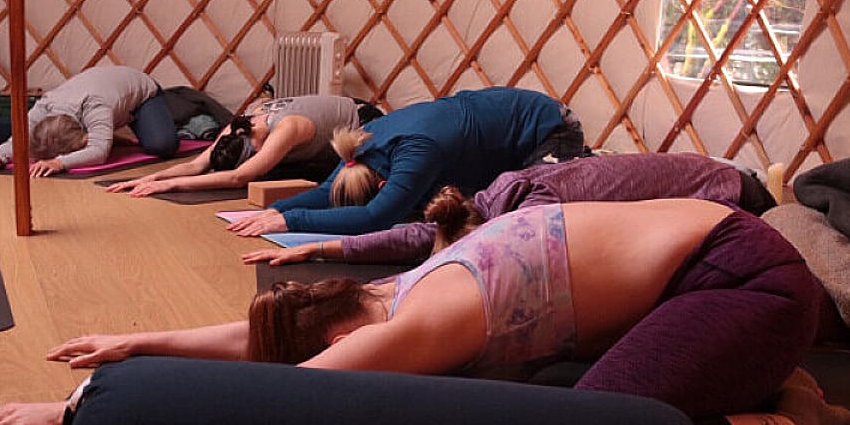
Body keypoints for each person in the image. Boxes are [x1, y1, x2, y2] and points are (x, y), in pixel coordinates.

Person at [0, 198, 850, 425]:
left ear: (348, 338)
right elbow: (260, 344)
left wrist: (72, 412)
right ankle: (749, 367)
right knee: (568, 390)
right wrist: (137, 342)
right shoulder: (385, 291)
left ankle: (796, 424)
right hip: (710, 269)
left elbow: (279, 398)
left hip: (750, 284)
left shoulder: (422, 320)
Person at [242, 152, 778, 267]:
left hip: (727, 194)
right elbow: (418, 237)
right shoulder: (488, 198)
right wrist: (321, 248)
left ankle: (784, 197)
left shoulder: (534, 217)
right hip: (712, 169)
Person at [222, 86, 587, 237]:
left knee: (526, 217)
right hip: (491, 127)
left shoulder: (416, 152)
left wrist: (290, 221)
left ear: (382, 183)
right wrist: (280, 210)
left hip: (549, 127)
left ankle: (584, 165)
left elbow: (375, 217)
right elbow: (325, 191)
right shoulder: (359, 146)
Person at [103, 95, 382, 197]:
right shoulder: (238, 127)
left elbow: (239, 177)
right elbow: (198, 164)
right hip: (318, 143)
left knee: (267, 175)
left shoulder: (286, 128)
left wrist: (174, 186)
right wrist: (151, 177)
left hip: (363, 122)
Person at [0, 65, 177, 177]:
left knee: (162, 144)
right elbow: (21, 137)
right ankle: (108, 134)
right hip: (100, 94)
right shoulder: (45, 105)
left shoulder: (96, 106)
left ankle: (119, 129)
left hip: (141, 92)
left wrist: (59, 162)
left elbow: (99, 153)